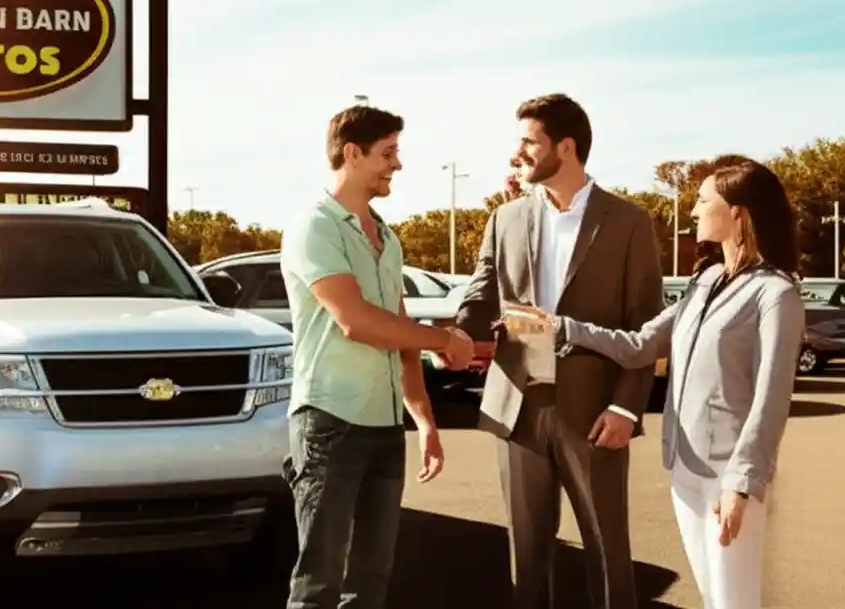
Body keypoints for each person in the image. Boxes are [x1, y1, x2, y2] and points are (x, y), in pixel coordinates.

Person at [499, 155, 804, 609]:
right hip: (685, 469)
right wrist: (560, 326)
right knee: (711, 594)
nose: (695, 212)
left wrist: (742, 481)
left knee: (733, 601)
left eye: (703, 201)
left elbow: (771, 398)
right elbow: (638, 344)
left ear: (738, 213)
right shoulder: (704, 283)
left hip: (729, 475)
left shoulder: (775, 293)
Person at [455, 93, 665, 609]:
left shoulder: (628, 221)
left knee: (607, 551)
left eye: (529, 141)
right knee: (526, 557)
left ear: (566, 147)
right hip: (517, 406)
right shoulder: (505, 219)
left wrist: (625, 407)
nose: (517, 154)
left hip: (596, 413)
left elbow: (646, 323)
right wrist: (456, 336)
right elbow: (483, 293)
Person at [279, 104, 475, 609]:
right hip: (329, 422)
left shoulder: (386, 237)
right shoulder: (315, 227)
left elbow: (400, 331)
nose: (397, 165)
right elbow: (357, 321)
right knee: (319, 579)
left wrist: (424, 420)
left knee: (371, 578)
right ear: (352, 153)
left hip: (385, 428)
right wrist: (447, 340)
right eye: (387, 153)